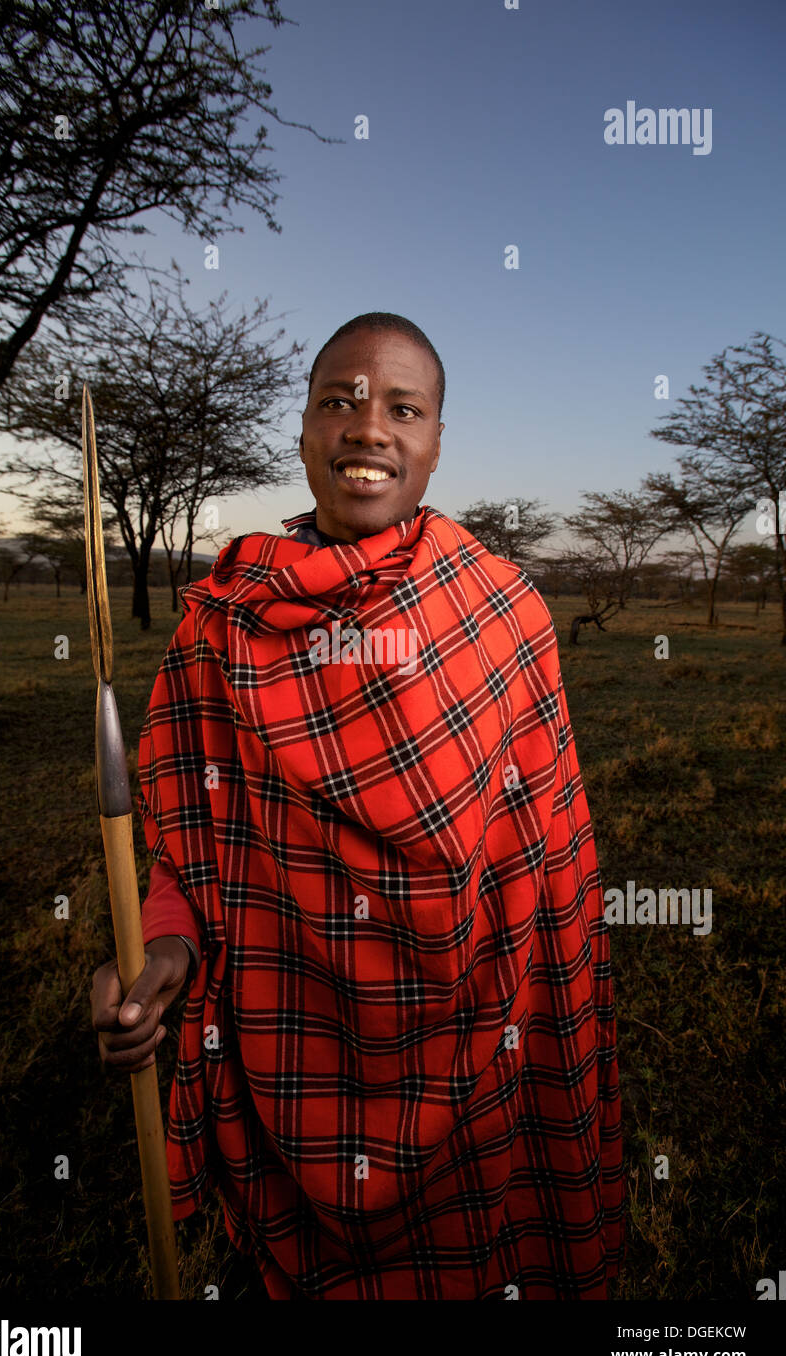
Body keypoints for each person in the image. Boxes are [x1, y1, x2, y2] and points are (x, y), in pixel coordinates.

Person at [91, 312, 625, 1300]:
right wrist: (161, 947)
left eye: (401, 408)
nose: (366, 427)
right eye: (337, 401)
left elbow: (545, 858)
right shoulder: (222, 623)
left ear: (431, 444)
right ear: (301, 431)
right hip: (289, 1056)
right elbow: (180, 847)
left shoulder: (501, 610)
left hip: (476, 1063)